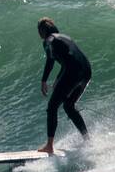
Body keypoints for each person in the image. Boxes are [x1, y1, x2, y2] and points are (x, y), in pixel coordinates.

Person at [37, 17, 91, 154]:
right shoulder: (64, 37)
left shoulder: (48, 41)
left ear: (42, 32)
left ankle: (49, 146)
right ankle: (87, 140)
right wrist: (58, 79)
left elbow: (50, 61)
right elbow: (69, 58)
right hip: (86, 71)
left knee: (52, 107)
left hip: (73, 71)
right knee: (68, 106)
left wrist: (44, 80)